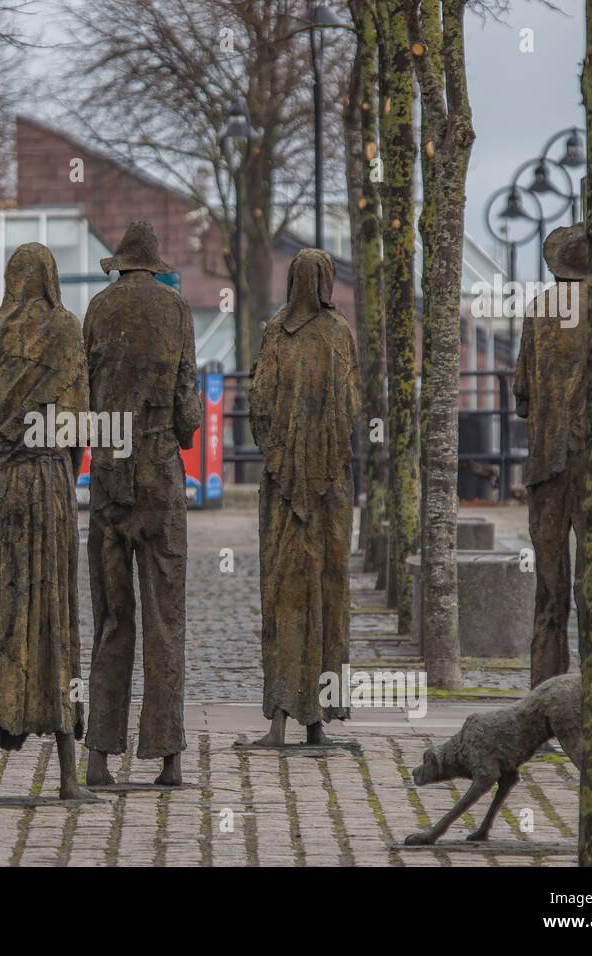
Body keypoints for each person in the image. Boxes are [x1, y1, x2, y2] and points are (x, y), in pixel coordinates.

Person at [0, 243, 94, 802]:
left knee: (2, 613)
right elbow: (78, 427)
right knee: (55, 615)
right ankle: (68, 774)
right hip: (49, 485)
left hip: (1, 488)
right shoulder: (66, 329)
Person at [83, 221, 200, 787]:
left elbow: (82, 399)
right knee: (165, 619)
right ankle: (168, 754)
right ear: (154, 265)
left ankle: (99, 754)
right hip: (160, 480)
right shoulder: (177, 311)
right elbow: (189, 414)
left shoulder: (97, 311)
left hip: (109, 480)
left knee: (112, 619)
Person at [245, 249, 360, 746]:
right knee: (328, 594)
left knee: (284, 593)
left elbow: (258, 404)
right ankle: (316, 721)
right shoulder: (338, 335)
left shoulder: (275, 332)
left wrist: (278, 457)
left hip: (284, 487)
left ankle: (281, 718)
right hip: (330, 490)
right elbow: (353, 405)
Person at [514, 222, 589, 686]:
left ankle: (544, 688)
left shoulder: (540, 309)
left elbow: (521, 395)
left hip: (545, 461)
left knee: (549, 584)